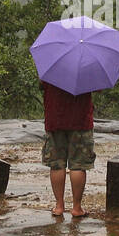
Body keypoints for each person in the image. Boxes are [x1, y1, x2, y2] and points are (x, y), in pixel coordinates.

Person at [41, 81, 94, 218]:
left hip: (55, 118)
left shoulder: (51, 65)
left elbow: (42, 85)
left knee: (57, 164)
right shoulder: (86, 67)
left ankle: (59, 206)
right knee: (78, 165)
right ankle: (77, 208)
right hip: (80, 119)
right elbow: (96, 87)